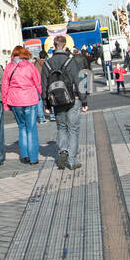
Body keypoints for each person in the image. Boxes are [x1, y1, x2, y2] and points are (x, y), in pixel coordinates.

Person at [44, 36, 88, 170]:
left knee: (61, 128)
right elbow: (79, 81)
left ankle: (63, 150)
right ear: (64, 46)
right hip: (72, 98)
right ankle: (72, 160)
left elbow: (44, 85)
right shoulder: (71, 62)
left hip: (56, 101)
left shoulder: (47, 63)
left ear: (54, 46)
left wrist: (46, 104)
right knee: (73, 130)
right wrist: (84, 100)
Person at [2, 45, 43, 164]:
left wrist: (5, 103)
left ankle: (24, 155)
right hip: (30, 99)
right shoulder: (29, 66)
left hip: (15, 101)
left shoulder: (9, 67)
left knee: (22, 128)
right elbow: (38, 83)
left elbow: (5, 86)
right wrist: (42, 97)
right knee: (31, 129)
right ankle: (33, 158)